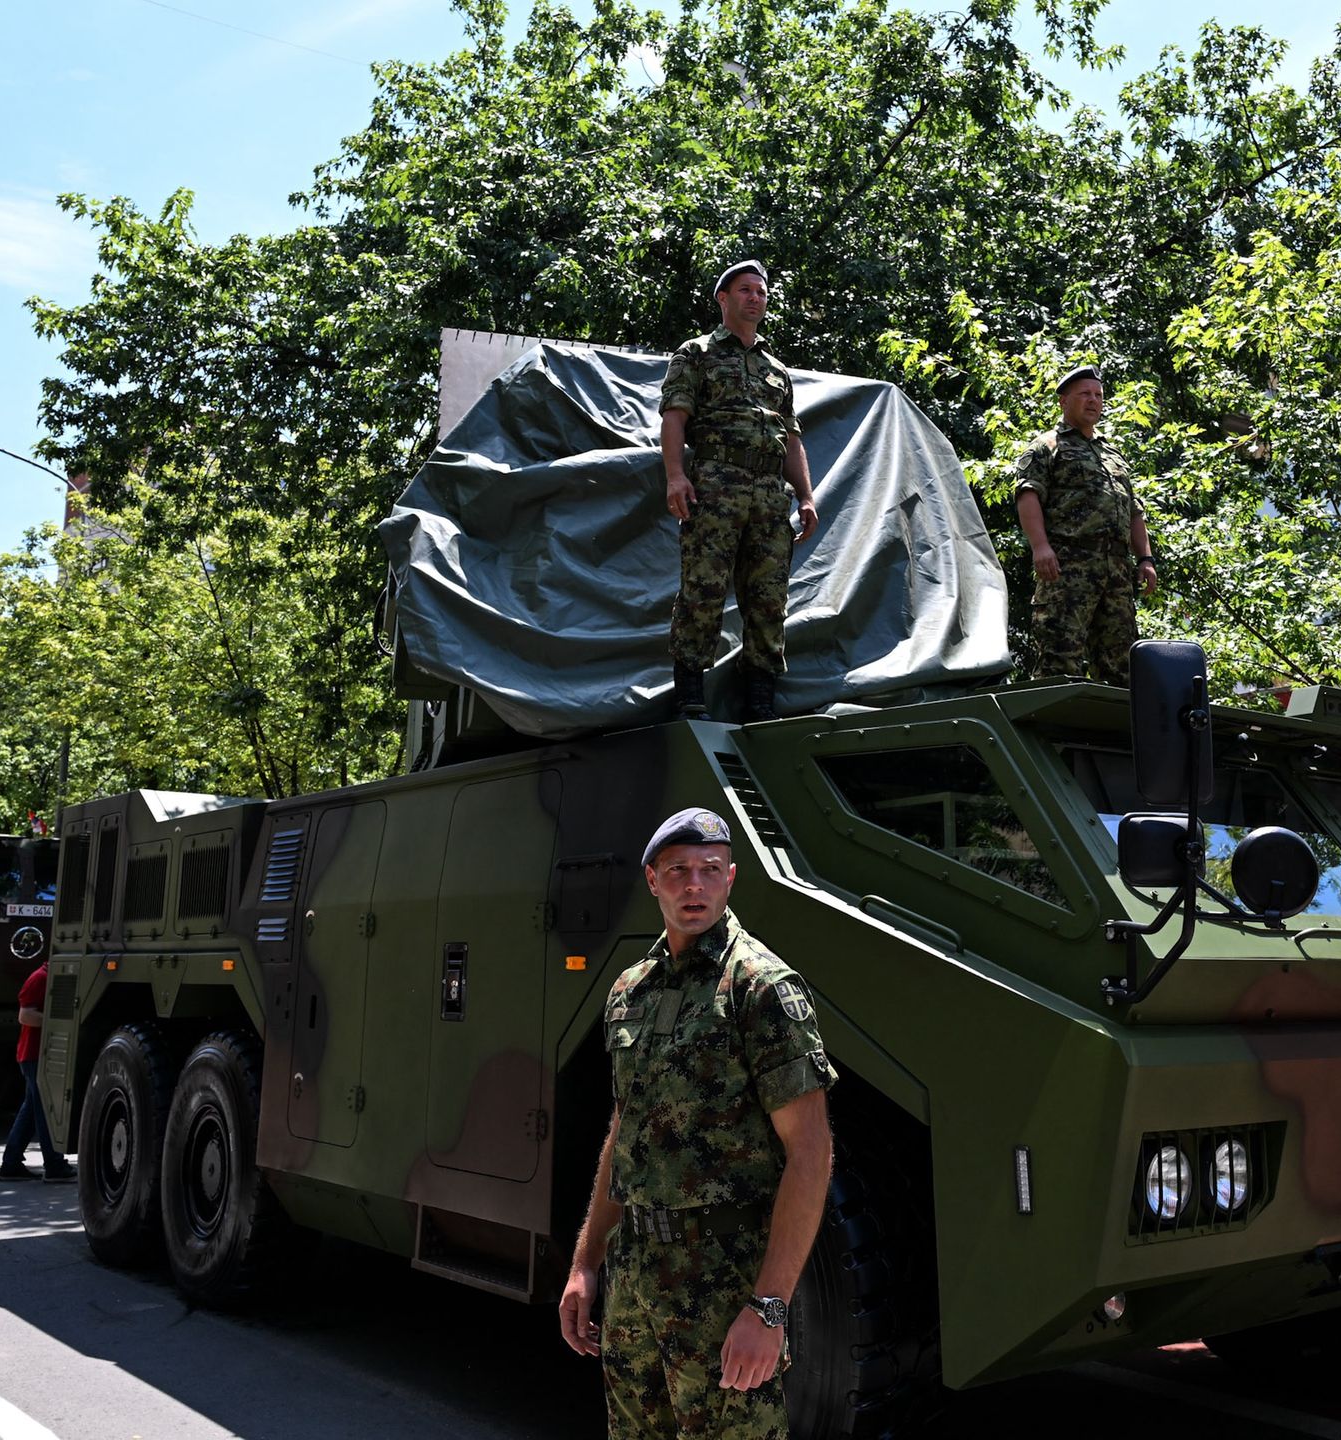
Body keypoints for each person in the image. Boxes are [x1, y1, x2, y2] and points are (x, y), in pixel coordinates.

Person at [559, 807, 835, 1438]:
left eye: (710, 871)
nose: (695, 886)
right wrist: (586, 1261)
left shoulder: (761, 990)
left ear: (731, 878)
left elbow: (811, 1152)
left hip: (722, 1287)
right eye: (679, 871)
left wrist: (768, 1308)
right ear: (652, 879)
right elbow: (623, 1131)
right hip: (634, 1287)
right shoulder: (631, 990)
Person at [661, 259, 821, 724]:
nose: (756, 298)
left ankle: (760, 704)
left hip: (770, 496)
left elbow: (791, 438)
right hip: (716, 486)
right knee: (703, 590)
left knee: (769, 599)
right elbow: (675, 417)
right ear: (723, 299)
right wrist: (676, 475)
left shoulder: (777, 370)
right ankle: (691, 697)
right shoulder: (696, 354)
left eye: (761, 292)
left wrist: (806, 495)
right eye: (745, 290)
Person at [1012, 366, 1158, 685]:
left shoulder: (1113, 454)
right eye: (1085, 394)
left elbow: (1134, 510)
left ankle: (1116, 733)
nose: (1093, 401)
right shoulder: (1046, 447)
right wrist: (1040, 547)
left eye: (1098, 395)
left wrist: (1145, 559)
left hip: (1116, 573)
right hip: (1068, 568)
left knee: (1123, 665)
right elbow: (1028, 495)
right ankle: (1056, 732)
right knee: (1059, 658)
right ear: (1064, 401)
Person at [0, 961, 74, 1182]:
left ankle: (11, 1164)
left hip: (34, 1055)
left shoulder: (43, 976)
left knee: (32, 1109)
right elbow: (25, 1015)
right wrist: (58, 1023)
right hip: (35, 1055)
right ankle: (53, 1164)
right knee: (44, 1111)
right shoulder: (40, 978)